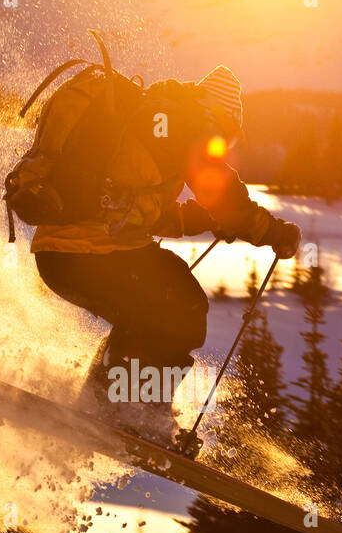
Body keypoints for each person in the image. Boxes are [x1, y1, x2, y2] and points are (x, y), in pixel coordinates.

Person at [30, 65, 301, 443]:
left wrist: (206, 219)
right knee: (180, 305)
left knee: (152, 308)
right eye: (228, 136)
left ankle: (107, 402)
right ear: (221, 116)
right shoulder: (188, 122)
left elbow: (143, 210)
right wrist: (272, 230)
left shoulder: (160, 118)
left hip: (65, 255)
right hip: (86, 253)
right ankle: (130, 409)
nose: (223, 144)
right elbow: (222, 191)